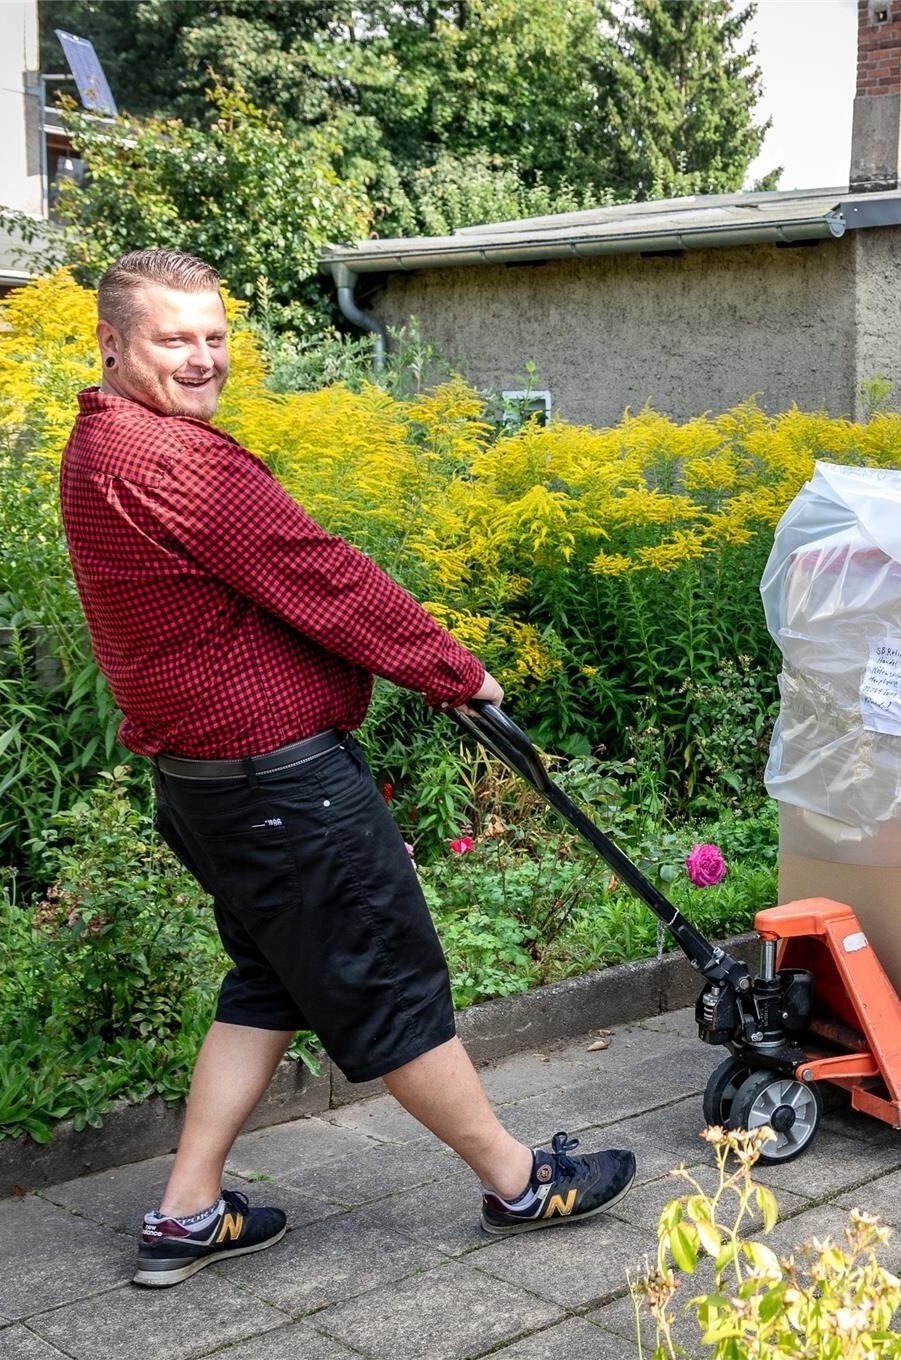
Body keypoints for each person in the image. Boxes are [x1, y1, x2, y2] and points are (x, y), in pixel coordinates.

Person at [59, 249, 635, 1288]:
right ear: (111, 342)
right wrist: (455, 672)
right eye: (173, 338)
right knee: (388, 979)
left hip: (209, 788)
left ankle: (187, 1211)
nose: (202, 359)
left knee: (269, 978)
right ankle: (517, 1181)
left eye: (214, 336)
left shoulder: (99, 443)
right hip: (281, 789)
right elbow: (318, 575)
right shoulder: (173, 460)